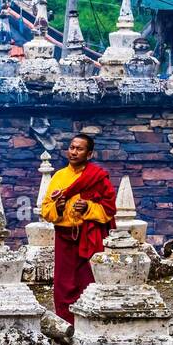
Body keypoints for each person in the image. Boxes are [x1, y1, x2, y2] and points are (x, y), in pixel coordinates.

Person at [40, 133, 117, 323]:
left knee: (87, 280)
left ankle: (88, 322)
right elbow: (45, 210)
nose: (74, 152)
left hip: (88, 235)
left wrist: (88, 207)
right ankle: (66, 323)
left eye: (79, 149)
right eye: (72, 147)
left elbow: (109, 209)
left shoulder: (96, 177)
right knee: (63, 282)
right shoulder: (59, 176)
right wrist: (58, 208)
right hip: (64, 235)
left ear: (89, 154)